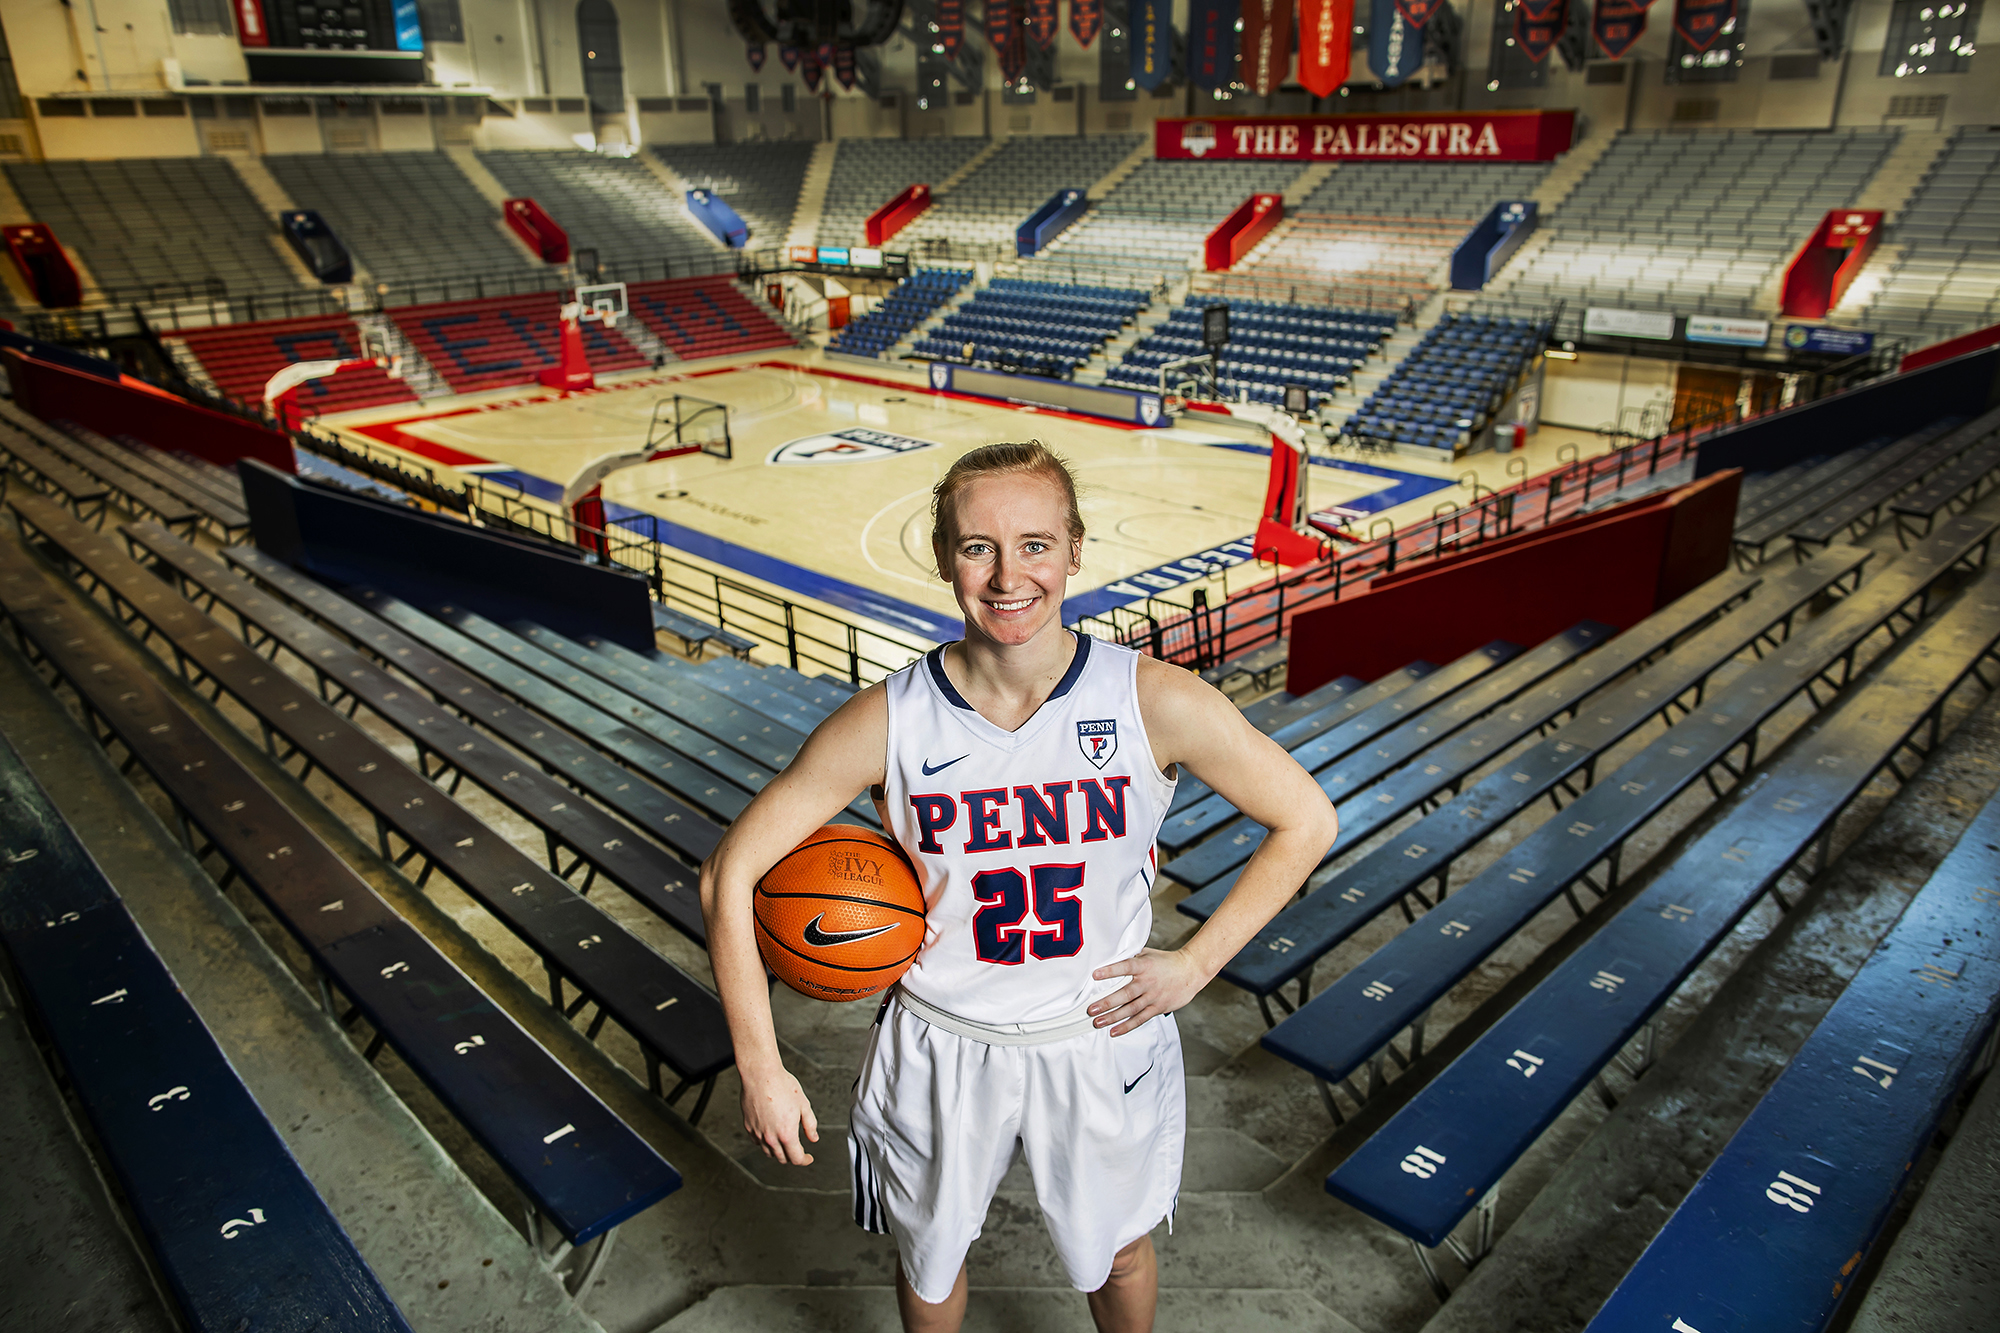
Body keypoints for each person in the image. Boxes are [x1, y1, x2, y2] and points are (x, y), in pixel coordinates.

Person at [700, 441, 1338, 1333]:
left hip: (1095, 1037)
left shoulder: (1153, 700)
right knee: (930, 1260)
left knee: (1116, 1252)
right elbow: (730, 874)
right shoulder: (890, 717)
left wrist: (1194, 964)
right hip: (941, 1041)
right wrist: (760, 1066)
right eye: (977, 547)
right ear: (942, 555)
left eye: (1035, 544)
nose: (1009, 575)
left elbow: (1308, 819)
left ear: (1076, 549)